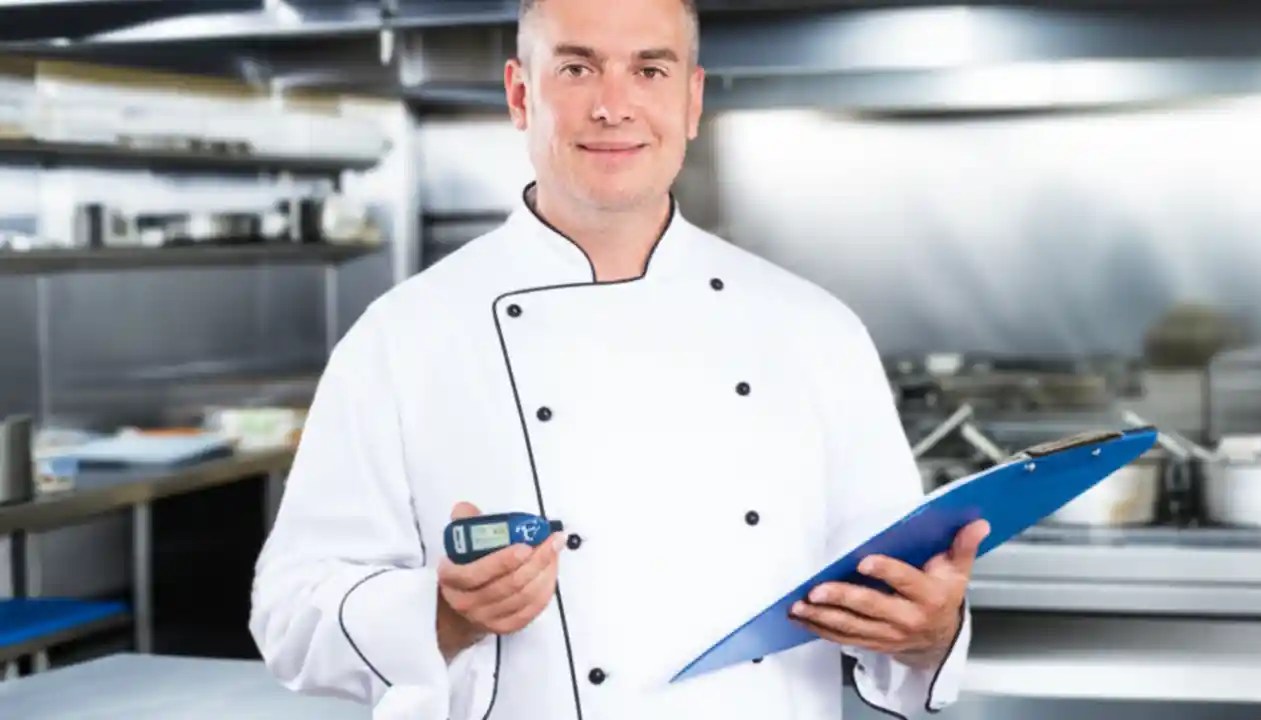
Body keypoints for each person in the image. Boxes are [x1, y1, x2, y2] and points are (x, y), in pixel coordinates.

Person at [249, 0, 989, 717]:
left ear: (692, 100)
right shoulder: (402, 337)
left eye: (650, 70)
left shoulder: (816, 331)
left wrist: (930, 635)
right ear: (519, 94)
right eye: (576, 69)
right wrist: (443, 616)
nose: (613, 105)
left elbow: (897, 596)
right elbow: (290, 616)